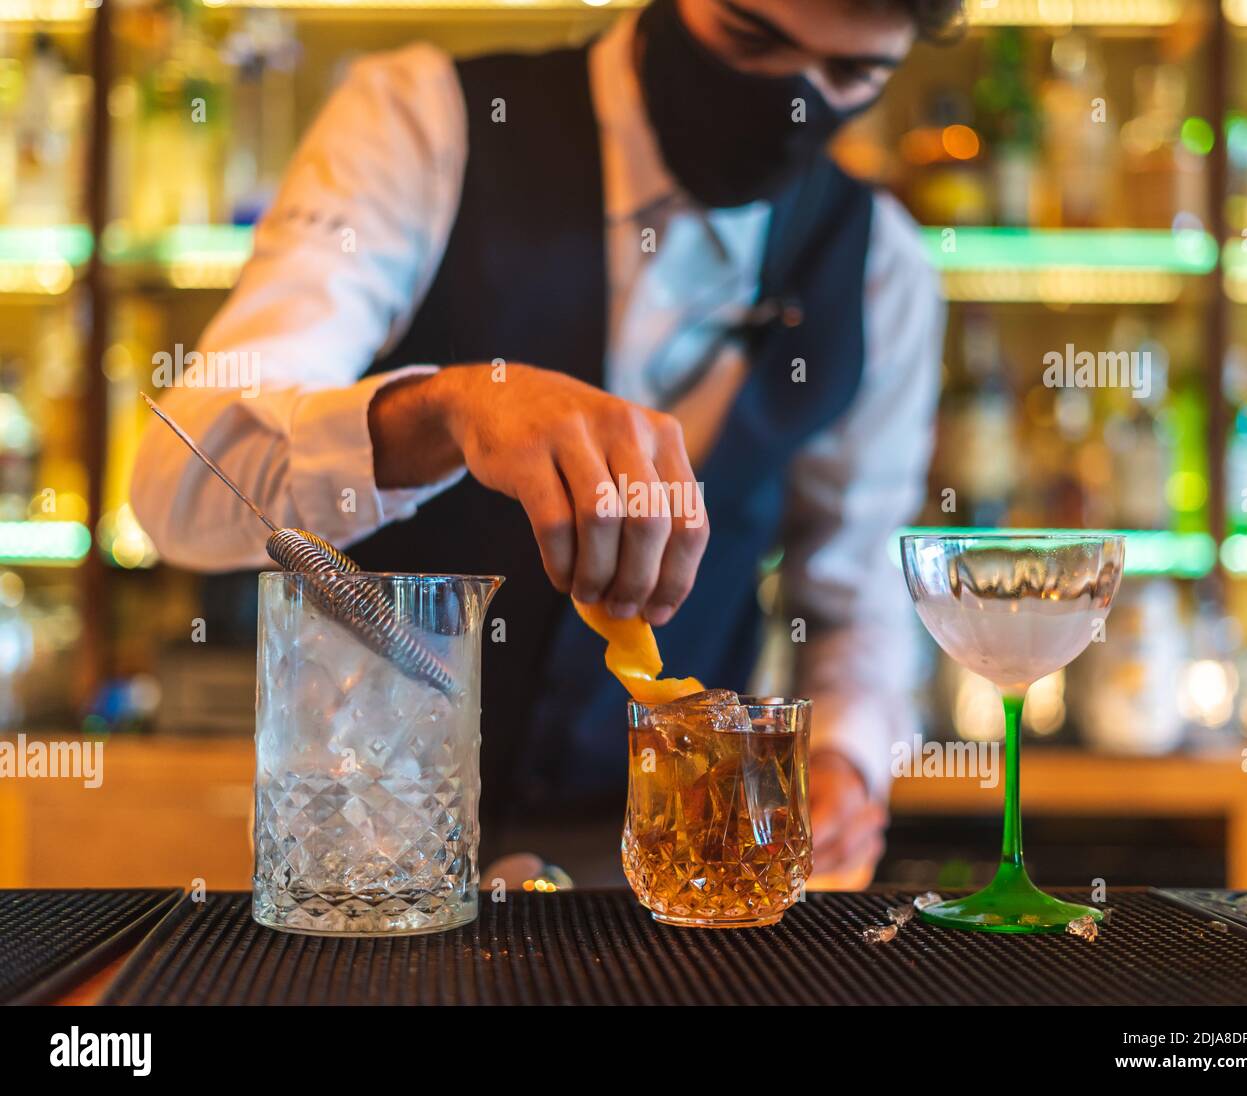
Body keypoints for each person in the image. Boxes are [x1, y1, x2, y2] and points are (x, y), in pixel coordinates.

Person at [131, 0, 957, 887]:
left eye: (851, 75)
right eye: (752, 40)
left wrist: (846, 760)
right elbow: (183, 484)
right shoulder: (421, 124)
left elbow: (854, 593)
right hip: (365, 855)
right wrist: (443, 412)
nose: (793, 99)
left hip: (657, 876)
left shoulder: (880, 268)